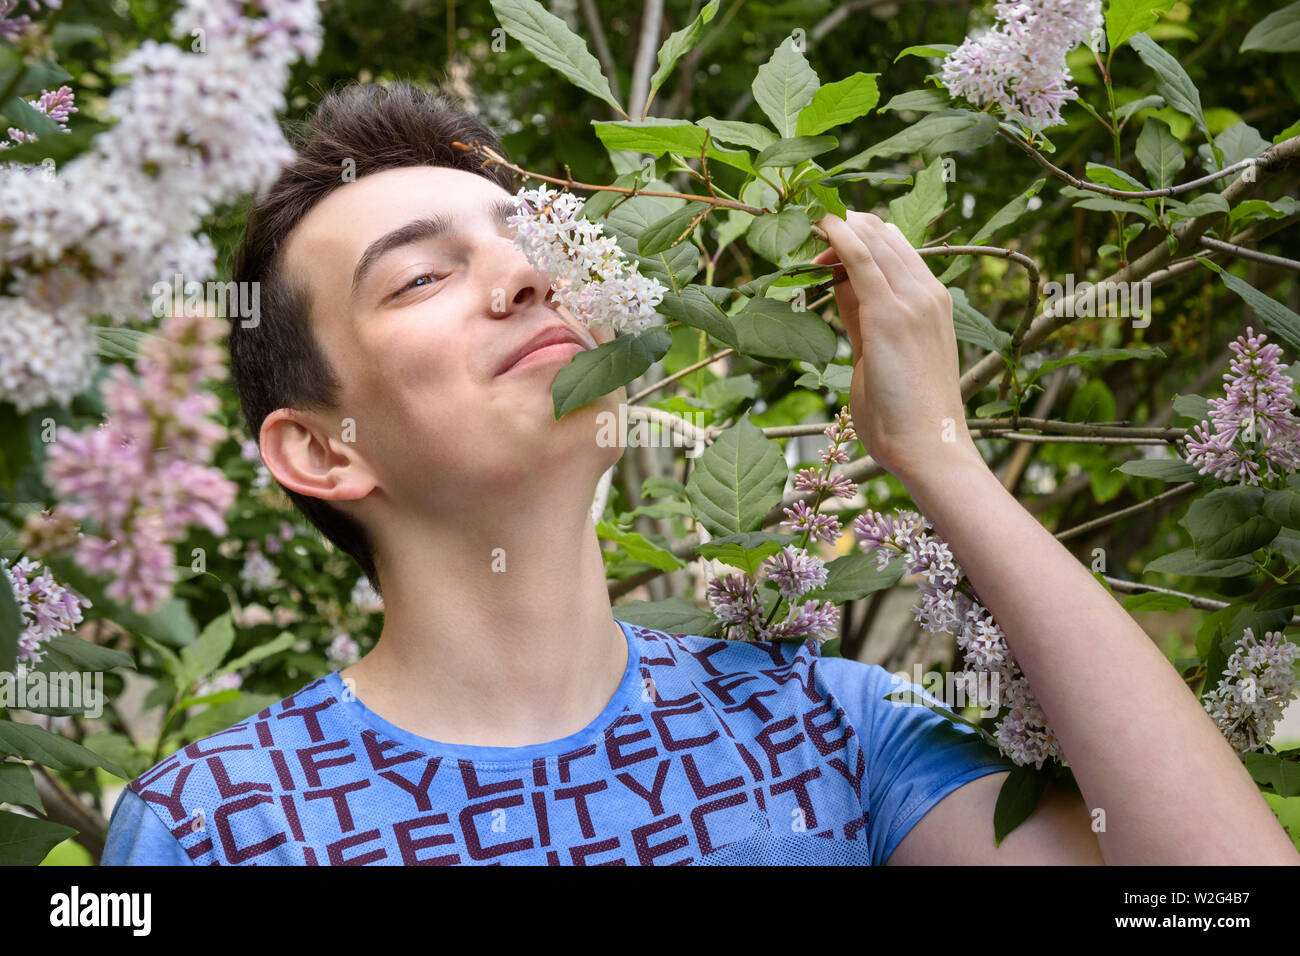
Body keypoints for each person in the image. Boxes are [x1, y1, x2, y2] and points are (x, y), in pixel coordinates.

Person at [101, 80, 1297, 866]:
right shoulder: (210, 824)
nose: (524, 278)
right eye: (419, 277)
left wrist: (938, 455)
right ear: (319, 448)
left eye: (533, 243)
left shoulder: (830, 733)